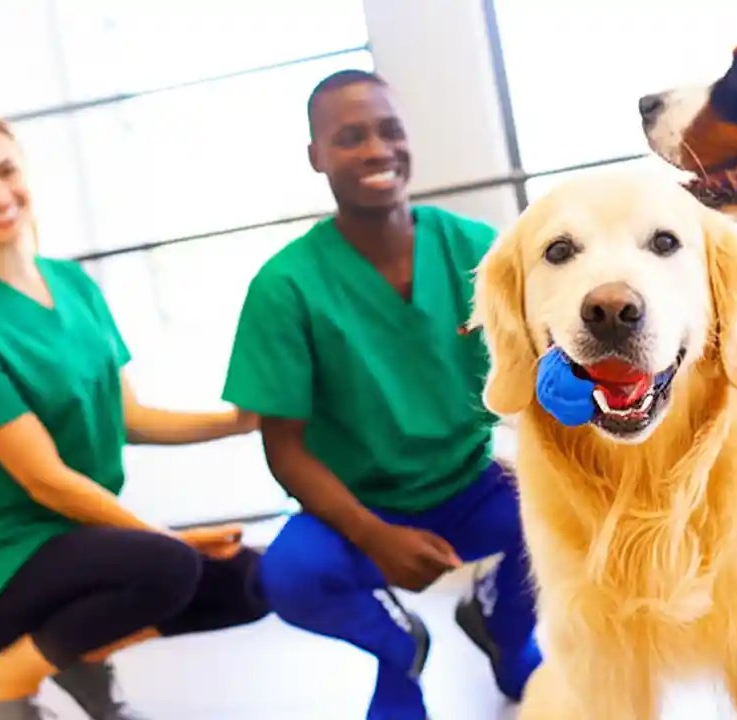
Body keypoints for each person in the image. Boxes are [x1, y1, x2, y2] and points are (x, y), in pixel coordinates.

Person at [0, 110, 270, 720]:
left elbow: (128, 416)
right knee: (168, 565)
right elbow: (44, 478)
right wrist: (165, 540)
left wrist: (242, 421)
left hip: (80, 547)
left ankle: (73, 656)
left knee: (251, 579)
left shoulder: (72, 284)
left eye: (5, 172)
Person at [222, 70, 542, 720]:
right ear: (316, 156)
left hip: (471, 486)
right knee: (288, 576)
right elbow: (284, 450)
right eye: (350, 137)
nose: (376, 150)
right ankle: (400, 650)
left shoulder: (475, 251)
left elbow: (537, 375)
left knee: (563, 514)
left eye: (390, 131)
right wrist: (373, 535)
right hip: (354, 508)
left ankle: (506, 635)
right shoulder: (285, 288)